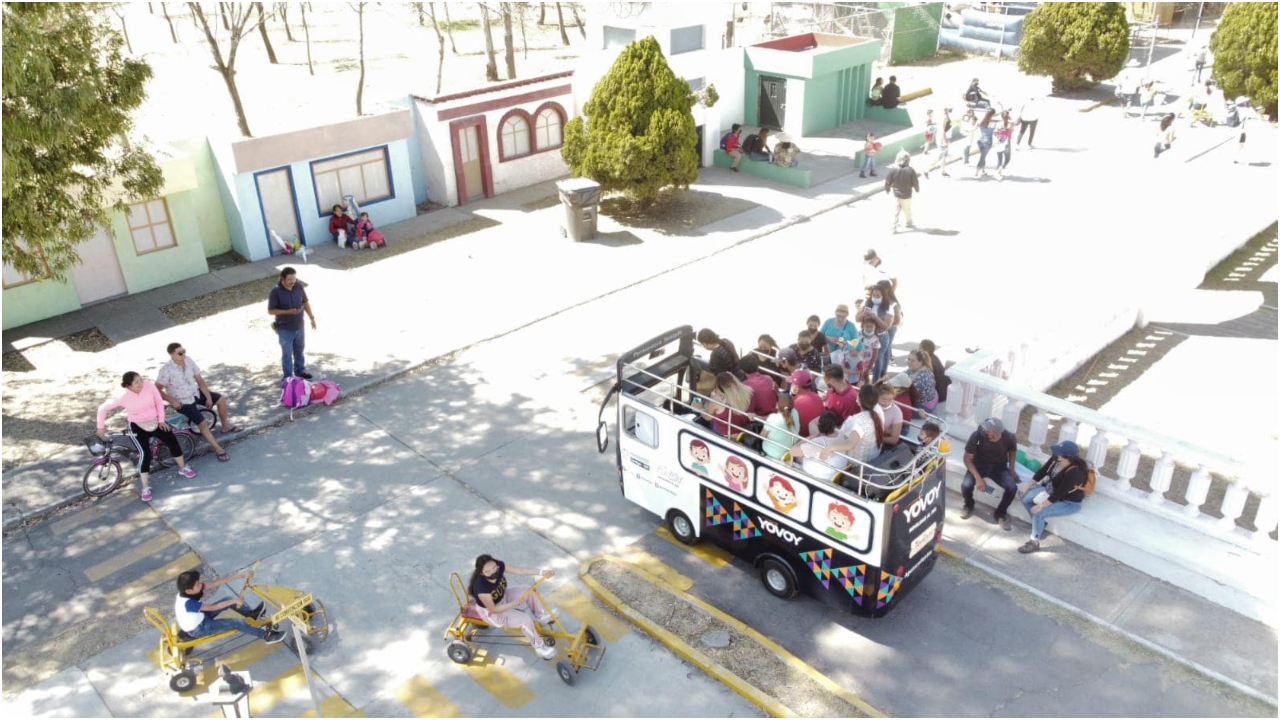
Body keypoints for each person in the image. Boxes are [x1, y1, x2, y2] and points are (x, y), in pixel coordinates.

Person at [97, 371, 198, 502]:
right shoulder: (123, 395)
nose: (141, 384)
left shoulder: (149, 386)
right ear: (128, 386)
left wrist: (161, 421)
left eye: (141, 380)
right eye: (137, 382)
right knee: (145, 454)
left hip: (155, 421)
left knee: (173, 442)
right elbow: (102, 408)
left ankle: (183, 468)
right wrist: (100, 427)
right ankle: (145, 487)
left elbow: (159, 402)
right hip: (137, 426)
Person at [155, 343, 237, 463]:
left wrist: (208, 397)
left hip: (195, 393)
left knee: (221, 399)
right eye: (180, 353)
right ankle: (218, 449)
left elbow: (200, 380)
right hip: (182, 401)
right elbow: (157, 389)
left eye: (184, 351)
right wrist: (172, 401)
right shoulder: (166, 370)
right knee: (202, 423)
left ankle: (225, 426)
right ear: (171, 354)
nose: (183, 354)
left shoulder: (189, 361)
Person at [469, 555, 557, 660]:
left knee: (527, 590)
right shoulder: (481, 587)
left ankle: (541, 616)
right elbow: (493, 609)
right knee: (524, 619)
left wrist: (542, 572)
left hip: (502, 597)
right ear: (481, 573)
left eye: (494, 567)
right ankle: (539, 647)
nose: (493, 572)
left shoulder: (499, 565)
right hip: (493, 613)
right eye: (488, 571)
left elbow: (520, 570)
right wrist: (512, 604)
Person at [175, 569, 284, 644]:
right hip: (199, 628)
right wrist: (235, 600)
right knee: (236, 623)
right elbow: (213, 608)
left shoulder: (189, 591)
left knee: (227, 600)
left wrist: (240, 575)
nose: (201, 585)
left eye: (199, 582)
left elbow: (216, 583)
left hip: (200, 617)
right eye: (198, 585)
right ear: (188, 591)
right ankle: (266, 635)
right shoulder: (188, 603)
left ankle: (251, 615)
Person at [1016, 441, 1088, 553]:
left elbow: (1060, 493)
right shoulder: (1056, 459)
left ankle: (1034, 542)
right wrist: (1027, 487)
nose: (1054, 453)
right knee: (1025, 498)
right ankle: (1040, 524)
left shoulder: (1075, 472)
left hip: (1068, 502)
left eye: (1058, 452)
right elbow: (1041, 472)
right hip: (1051, 491)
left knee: (1039, 513)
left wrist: (1041, 506)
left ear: (1065, 457)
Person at [960, 417, 1020, 530]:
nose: (985, 431)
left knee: (1012, 488)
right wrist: (978, 478)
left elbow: (1013, 450)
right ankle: (969, 504)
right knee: (966, 485)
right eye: (986, 429)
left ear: (998, 433)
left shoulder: (1009, 437)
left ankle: (1000, 513)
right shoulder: (977, 436)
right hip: (978, 464)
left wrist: (1012, 469)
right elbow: (966, 458)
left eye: (988, 430)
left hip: (999, 466)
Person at [814, 385, 885, 470]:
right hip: (875, 456)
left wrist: (830, 447)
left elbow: (849, 443)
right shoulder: (878, 410)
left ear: (859, 400)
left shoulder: (857, 421)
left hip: (857, 464)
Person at [267, 267, 316, 382]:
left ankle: (300, 372)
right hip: (285, 329)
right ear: (282, 279)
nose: (292, 282)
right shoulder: (275, 292)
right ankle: (288, 378)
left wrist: (312, 318)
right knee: (287, 355)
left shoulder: (298, 287)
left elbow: (305, 302)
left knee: (299, 351)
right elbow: (271, 311)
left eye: (294, 279)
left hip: (299, 326)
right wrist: (287, 312)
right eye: (289, 279)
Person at [789, 411, 849, 482]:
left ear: (819, 425)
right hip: (838, 469)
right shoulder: (842, 433)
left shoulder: (818, 443)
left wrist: (810, 437)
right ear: (834, 425)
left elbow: (792, 452)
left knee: (797, 455)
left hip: (822, 476)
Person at [859, 280, 900, 382]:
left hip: (881, 336)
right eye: (874, 295)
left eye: (878, 296)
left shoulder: (889, 306)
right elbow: (857, 318)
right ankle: (863, 377)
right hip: (866, 335)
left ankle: (876, 382)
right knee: (864, 356)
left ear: (883, 296)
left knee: (878, 359)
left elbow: (886, 326)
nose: (875, 297)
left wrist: (876, 318)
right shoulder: (867, 303)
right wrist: (863, 314)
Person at [696, 371, 753, 437]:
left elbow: (707, 417)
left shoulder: (717, 401)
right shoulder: (747, 391)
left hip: (724, 434)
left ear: (718, 387)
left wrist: (699, 408)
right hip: (741, 431)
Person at [884, 150, 920, 232]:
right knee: (907, 209)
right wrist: (917, 189)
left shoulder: (893, 169)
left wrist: (887, 188)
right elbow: (915, 182)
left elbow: (888, 180)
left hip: (896, 194)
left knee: (896, 210)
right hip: (907, 195)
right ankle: (909, 222)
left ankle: (893, 226)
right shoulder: (911, 170)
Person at [762, 392, 801, 460]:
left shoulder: (773, 418)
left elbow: (762, 436)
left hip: (772, 452)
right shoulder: (795, 412)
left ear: (777, 405)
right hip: (788, 451)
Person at [787, 369, 824, 439]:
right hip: (818, 436)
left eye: (793, 383)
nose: (791, 385)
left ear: (796, 388)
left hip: (803, 439)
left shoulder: (794, 405)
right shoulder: (818, 398)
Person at [820, 305, 858, 369]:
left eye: (843, 317)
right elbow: (819, 336)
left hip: (841, 358)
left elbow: (856, 342)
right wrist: (827, 338)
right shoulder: (828, 322)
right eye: (838, 316)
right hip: (826, 354)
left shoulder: (851, 326)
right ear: (835, 313)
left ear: (847, 315)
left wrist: (846, 343)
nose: (840, 319)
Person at [905, 350, 940, 417]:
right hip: (933, 398)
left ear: (921, 362)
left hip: (924, 407)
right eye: (908, 359)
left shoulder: (920, 378)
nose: (909, 362)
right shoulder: (923, 368)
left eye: (912, 361)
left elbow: (907, 393)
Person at [918, 339, 951, 403]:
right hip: (944, 391)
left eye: (920, 348)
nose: (918, 350)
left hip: (938, 395)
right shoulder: (934, 357)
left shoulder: (927, 362)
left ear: (926, 351)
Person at [924, 107, 953, 179]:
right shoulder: (946, 119)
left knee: (944, 157)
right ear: (946, 111)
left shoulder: (945, 117)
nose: (950, 110)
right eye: (948, 109)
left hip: (942, 139)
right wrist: (946, 141)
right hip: (942, 141)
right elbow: (943, 131)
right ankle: (926, 170)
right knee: (939, 157)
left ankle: (943, 171)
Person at [876, 382, 905, 447]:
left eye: (890, 400)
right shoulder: (871, 404)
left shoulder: (897, 412)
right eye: (884, 400)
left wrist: (874, 438)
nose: (887, 403)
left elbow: (894, 440)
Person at [852, 318, 880, 385]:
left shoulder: (875, 339)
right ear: (863, 326)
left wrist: (870, 366)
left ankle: (867, 388)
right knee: (857, 376)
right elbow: (852, 346)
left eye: (871, 327)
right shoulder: (858, 334)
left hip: (867, 362)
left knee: (866, 375)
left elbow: (875, 354)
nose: (869, 329)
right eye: (867, 326)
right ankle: (857, 388)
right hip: (856, 360)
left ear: (875, 327)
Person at [974, 108, 996, 178]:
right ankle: (976, 173)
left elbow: (975, 127)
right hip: (987, 141)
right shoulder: (993, 123)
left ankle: (983, 170)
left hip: (979, 140)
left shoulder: (981, 120)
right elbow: (995, 133)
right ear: (992, 115)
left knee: (983, 155)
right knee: (983, 157)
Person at [993, 112, 1014, 181]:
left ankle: (998, 173)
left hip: (999, 142)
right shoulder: (1010, 124)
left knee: (999, 159)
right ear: (1008, 116)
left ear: (1001, 117)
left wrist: (1000, 133)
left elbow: (995, 134)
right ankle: (998, 172)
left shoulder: (998, 123)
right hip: (1006, 143)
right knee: (1007, 159)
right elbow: (1012, 131)